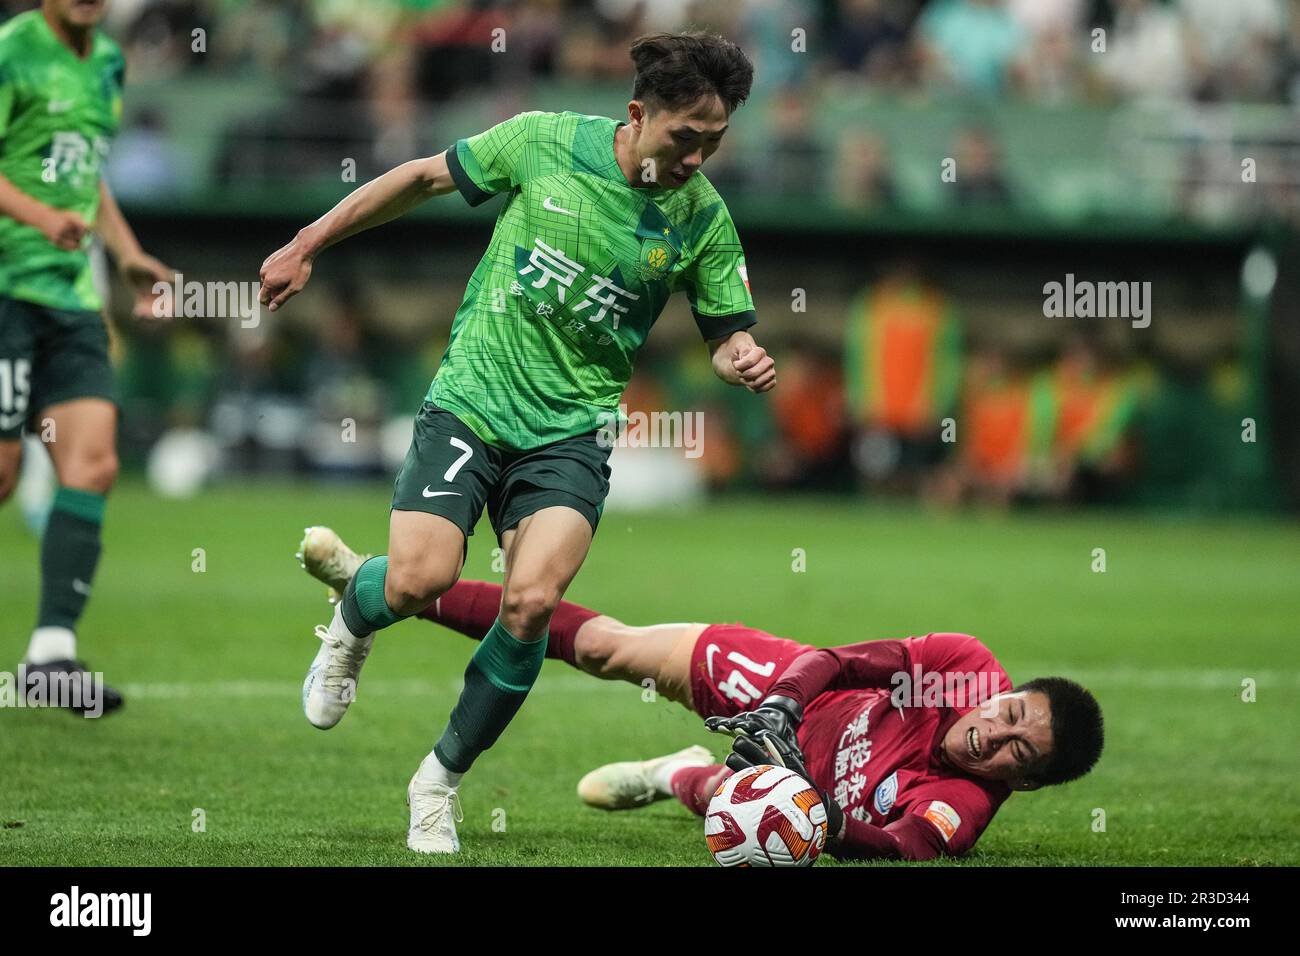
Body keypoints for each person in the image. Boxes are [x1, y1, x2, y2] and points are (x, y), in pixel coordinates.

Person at [263, 31, 774, 854]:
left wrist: (737, 356)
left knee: (531, 604)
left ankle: (437, 784)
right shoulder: (541, 140)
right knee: (420, 581)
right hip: (472, 401)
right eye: (686, 139)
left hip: (570, 433)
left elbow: (725, 333)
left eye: (715, 143)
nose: (698, 159)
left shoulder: (704, 221)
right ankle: (355, 616)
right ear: (639, 114)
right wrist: (306, 244)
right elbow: (422, 178)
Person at [301, 529, 1104, 861]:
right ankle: (380, 586)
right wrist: (781, 707)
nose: (992, 735)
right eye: (1008, 715)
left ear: (1022, 783)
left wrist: (804, 811)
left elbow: (897, 850)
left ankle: (677, 776)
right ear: (1006, 692)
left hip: (808, 791)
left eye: (1015, 753)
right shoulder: (965, 668)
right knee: (608, 648)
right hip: (795, 693)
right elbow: (836, 660)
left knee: (741, 810)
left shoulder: (960, 805)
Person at [0, 0, 173, 715]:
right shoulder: (13, 51)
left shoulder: (107, 60)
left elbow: (87, 172)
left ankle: (50, 656)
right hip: (7, 290)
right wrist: (40, 217)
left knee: (94, 463)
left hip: (71, 300)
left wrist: (127, 254)